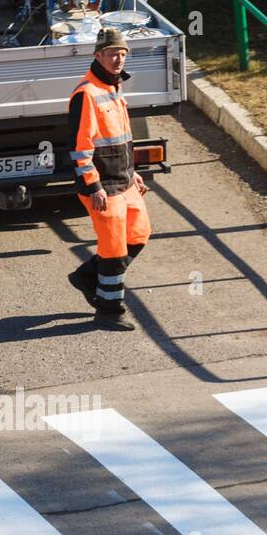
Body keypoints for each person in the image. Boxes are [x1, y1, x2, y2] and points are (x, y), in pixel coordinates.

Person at [66, 27, 151, 332]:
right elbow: (79, 147)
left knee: (139, 234)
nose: (118, 59)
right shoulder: (86, 94)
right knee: (114, 248)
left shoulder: (114, 88)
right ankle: (109, 311)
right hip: (104, 187)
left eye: (123, 54)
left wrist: (134, 172)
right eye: (113, 53)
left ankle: (87, 277)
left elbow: (121, 139)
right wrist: (93, 186)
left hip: (124, 181)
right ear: (98, 56)